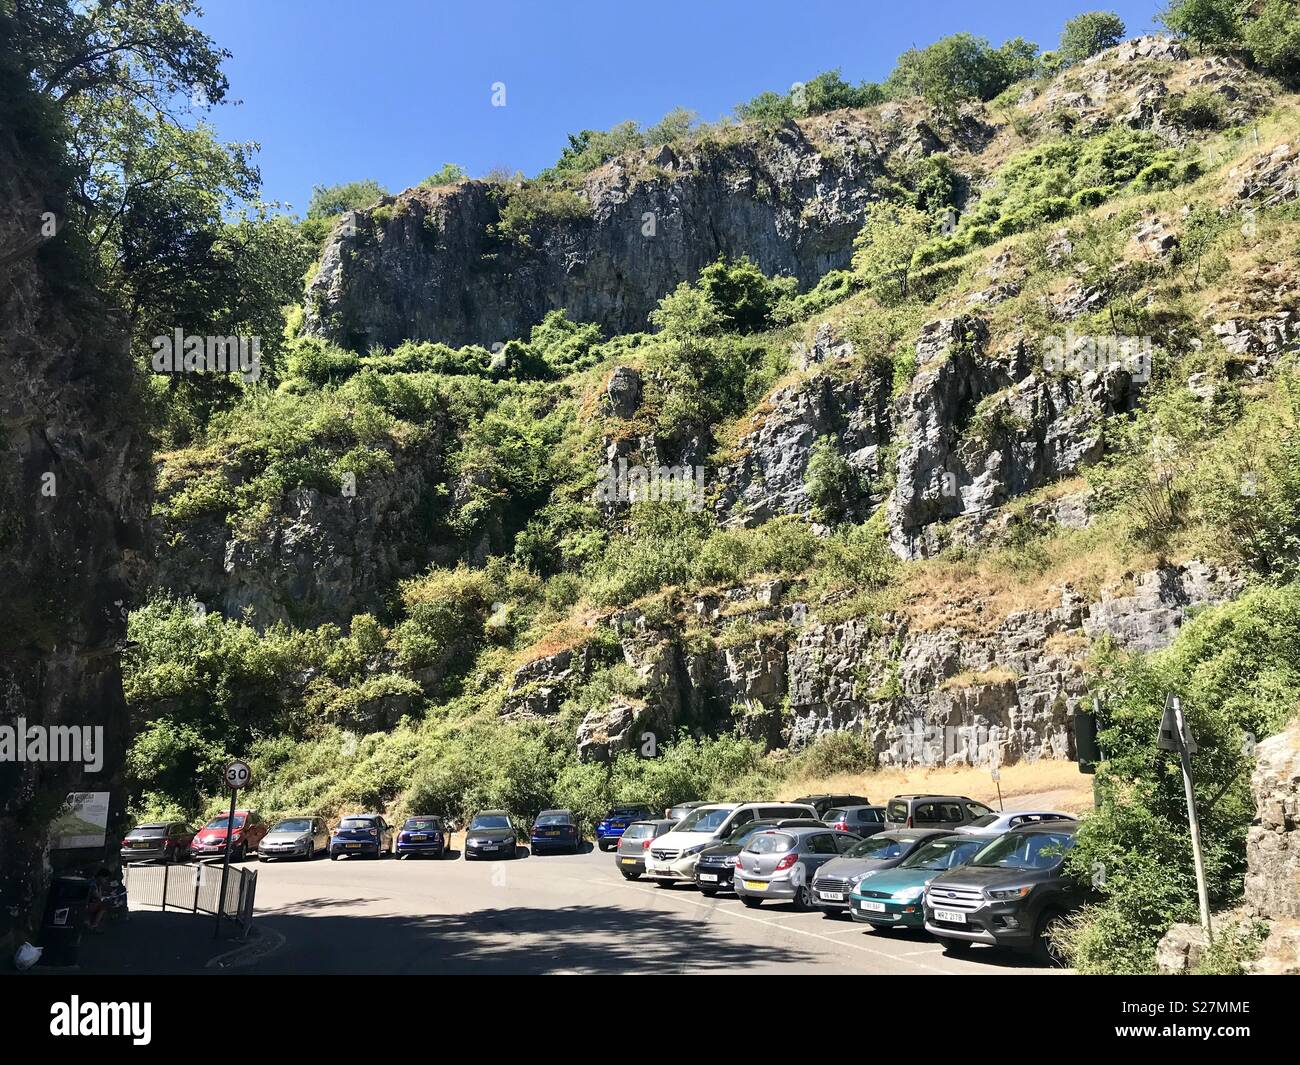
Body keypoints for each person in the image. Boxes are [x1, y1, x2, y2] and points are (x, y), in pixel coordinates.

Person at [85, 867, 112, 933]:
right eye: (105, 878)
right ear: (101, 877)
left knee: (104, 905)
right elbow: (97, 896)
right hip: (87, 904)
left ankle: (94, 925)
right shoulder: (93, 883)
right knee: (103, 906)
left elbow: (99, 896)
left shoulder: (98, 884)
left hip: (91, 903)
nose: (105, 881)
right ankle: (94, 925)